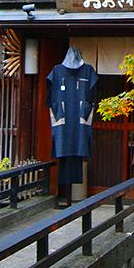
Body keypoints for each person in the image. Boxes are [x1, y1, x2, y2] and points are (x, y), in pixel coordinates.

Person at [46, 46, 97, 207]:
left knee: (73, 150)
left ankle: (70, 198)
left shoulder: (88, 71)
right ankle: (66, 196)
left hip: (72, 120)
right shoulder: (57, 71)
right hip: (66, 119)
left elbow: (93, 95)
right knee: (68, 151)